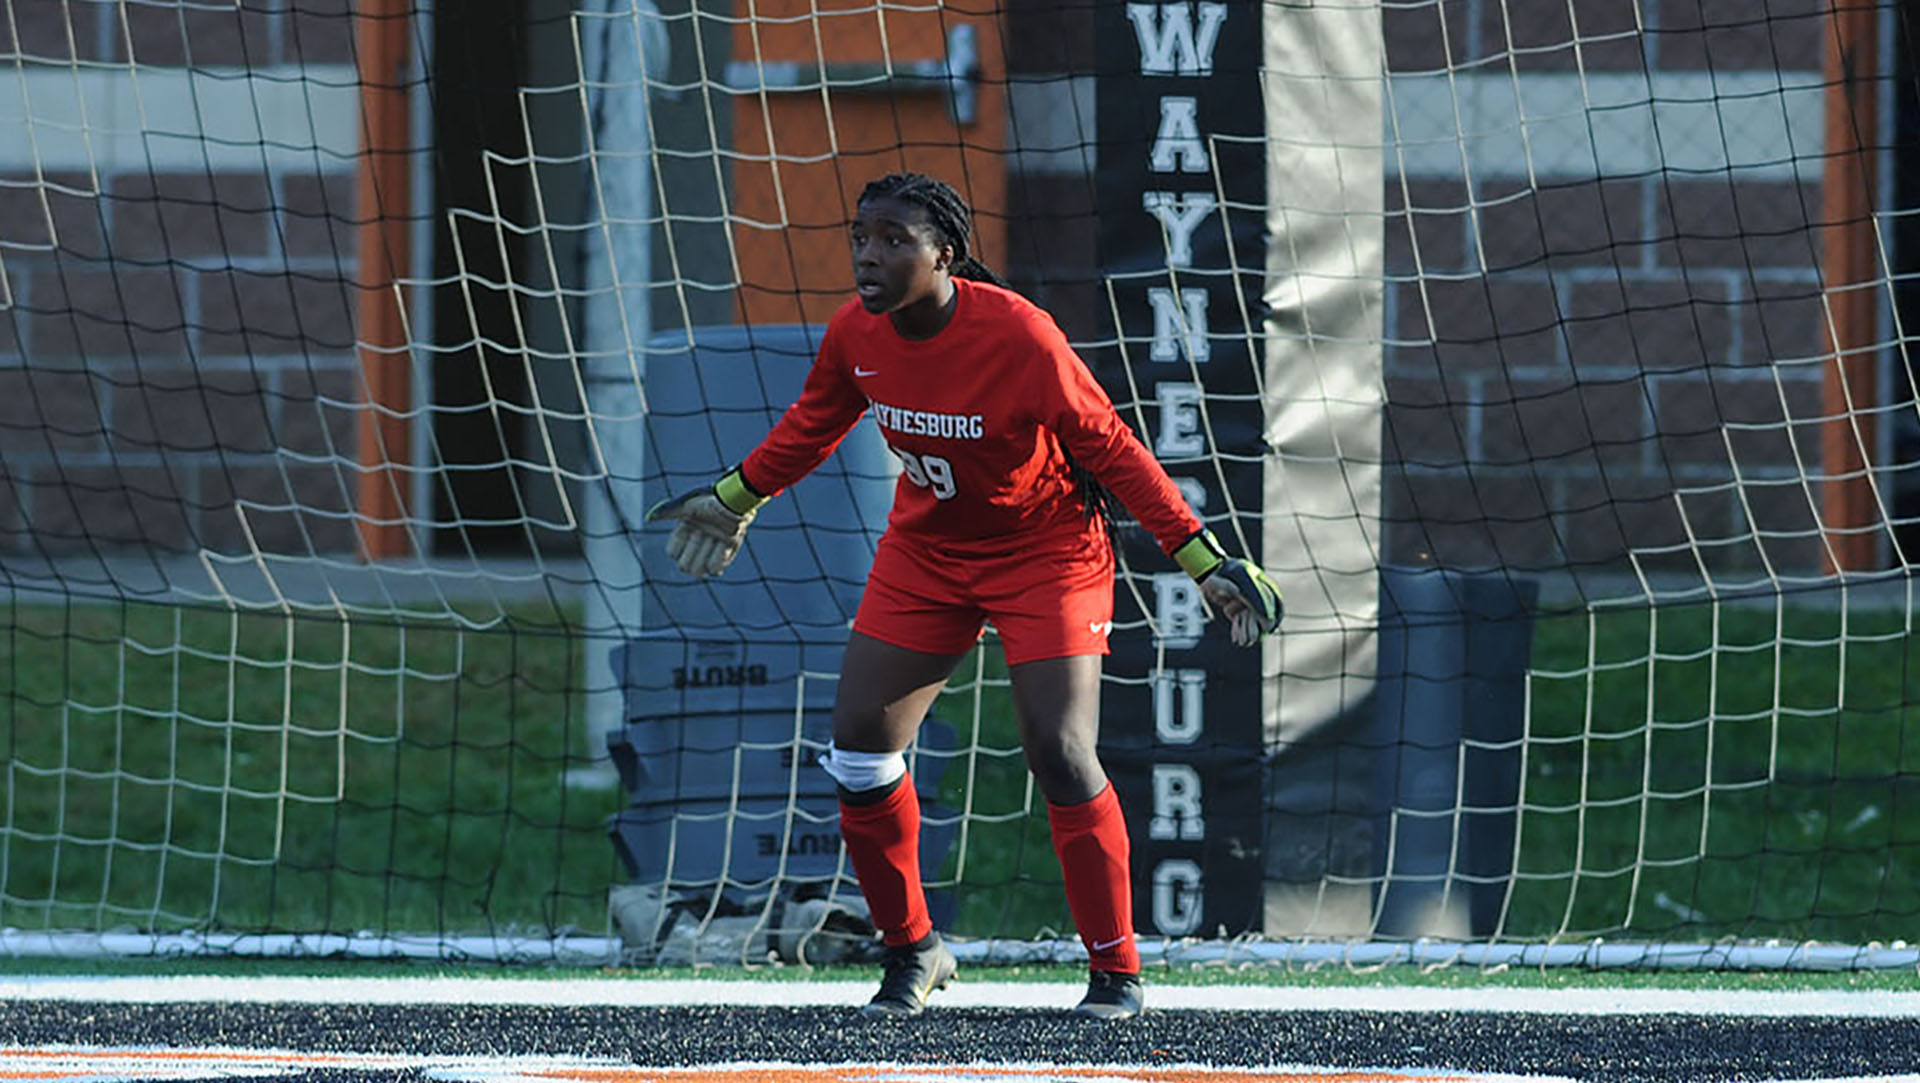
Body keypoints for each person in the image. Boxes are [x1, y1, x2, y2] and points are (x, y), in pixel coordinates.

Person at [646, 171, 1280, 1020]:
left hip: (1046, 550)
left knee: (1059, 748)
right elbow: (812, 423)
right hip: (928, 552)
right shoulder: (855, 333)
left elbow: (1115, 448)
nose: (870, 254)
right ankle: (914, 949)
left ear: (945, 255)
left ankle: (1115, 972)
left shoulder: (1020, 336)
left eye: (894, 239)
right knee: (861, 750)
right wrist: (734, 499)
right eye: (862, 236)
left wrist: (1201, 558)